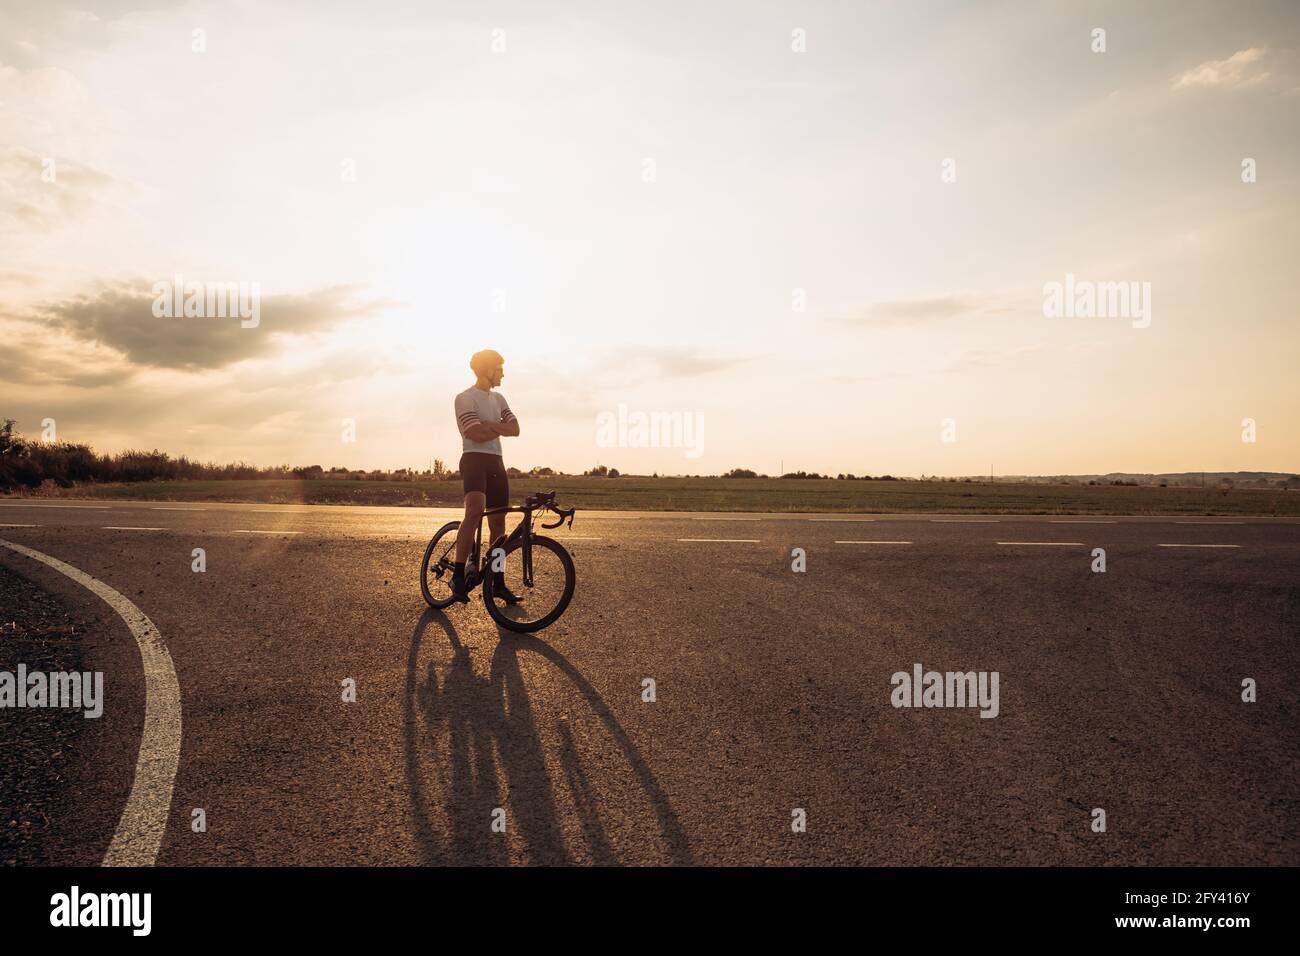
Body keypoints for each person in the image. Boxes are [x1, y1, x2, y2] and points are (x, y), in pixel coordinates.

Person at [450, 349, 521, 603]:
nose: (503, 372)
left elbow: (515, 429)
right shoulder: (464, 398)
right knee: (475, 511)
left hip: (496, 462)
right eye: (500, 368)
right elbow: (474, 434)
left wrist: (489, 426)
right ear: (488, 370)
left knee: (499, 526)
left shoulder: (499, 398)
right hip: (474, 460)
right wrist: (495, 428)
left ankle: (497, 581)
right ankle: (458, 576)